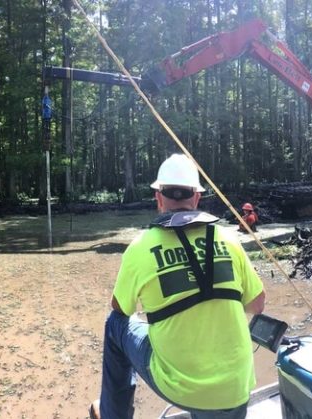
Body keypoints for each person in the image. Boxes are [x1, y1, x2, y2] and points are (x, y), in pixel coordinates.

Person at [90, 153, 266, 419]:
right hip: (235, 387)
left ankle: (113, 415)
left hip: (180, 387)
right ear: (196, 198)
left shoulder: (140, 247)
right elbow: (258, 304)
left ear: (159, 199)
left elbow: (120, 308)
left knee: (114, 324)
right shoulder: (229, 240)